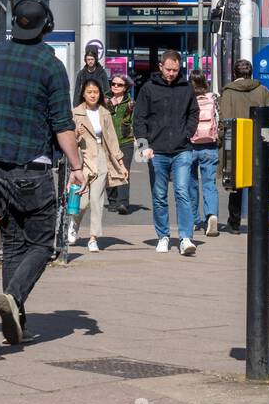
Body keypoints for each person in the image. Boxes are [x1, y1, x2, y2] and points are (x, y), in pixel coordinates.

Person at [0, 0, 85, 346]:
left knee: (13, 246)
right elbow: (63, 126)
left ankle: (16, 324)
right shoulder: (50, 65)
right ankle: (14, 297)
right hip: (33, 170)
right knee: (42, 244)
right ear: (45, 27)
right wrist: (76, 166)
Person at [133, 50, 200, 255]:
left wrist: (188, 133)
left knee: (182, 192)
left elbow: (194, 112)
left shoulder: (186, 88)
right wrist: (144, 148)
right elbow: (139, 119)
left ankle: (185, 238)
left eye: (175, 70)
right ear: (160, 67)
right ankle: (163, 236)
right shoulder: (148, 89)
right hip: (157, 151)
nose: (171, 73)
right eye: (168, 69)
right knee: (159, 195)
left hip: (182, 149)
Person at [218, 58, 269, 233]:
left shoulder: (228, 92)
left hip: (236, 145)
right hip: (259, 146)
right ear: (250, 73)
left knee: (235, 187)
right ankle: (258, 224)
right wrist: (266, 135)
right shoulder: (263, 91)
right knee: (258, 186)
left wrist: (222, 141)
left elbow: (224, 120)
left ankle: (234, 224)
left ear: (235, 73)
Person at [70, 79, 129, 252]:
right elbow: (68, 141)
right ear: (83, 94)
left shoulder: (104, 112)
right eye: (89, 92)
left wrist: (120, 163)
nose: (93, 95)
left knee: (96, 200)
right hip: (83, 159)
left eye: (96, 92)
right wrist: (76, 134)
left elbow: (111, 140)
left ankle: (93, 238)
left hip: (101, 158)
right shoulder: (76, 113)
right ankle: (73, 226)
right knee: (81, 202)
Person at [187, 70, 222, 238]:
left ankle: (194, 220)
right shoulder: (213, 98)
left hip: (190, 145)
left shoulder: (187, 98)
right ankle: (212, 215)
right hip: (209, 144)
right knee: (209, 184)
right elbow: (220, 120)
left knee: (190, 184)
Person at [106, 74, 135, 215]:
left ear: (126, 87)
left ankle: (123, 202)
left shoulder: (130, 103)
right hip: (107, 142)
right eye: (113, 84)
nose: (115, 86)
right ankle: (112, 200)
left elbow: (135, 121)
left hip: (125, 141)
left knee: (124, 171)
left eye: (119, 85)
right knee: (109, 171)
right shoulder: (103, 101)